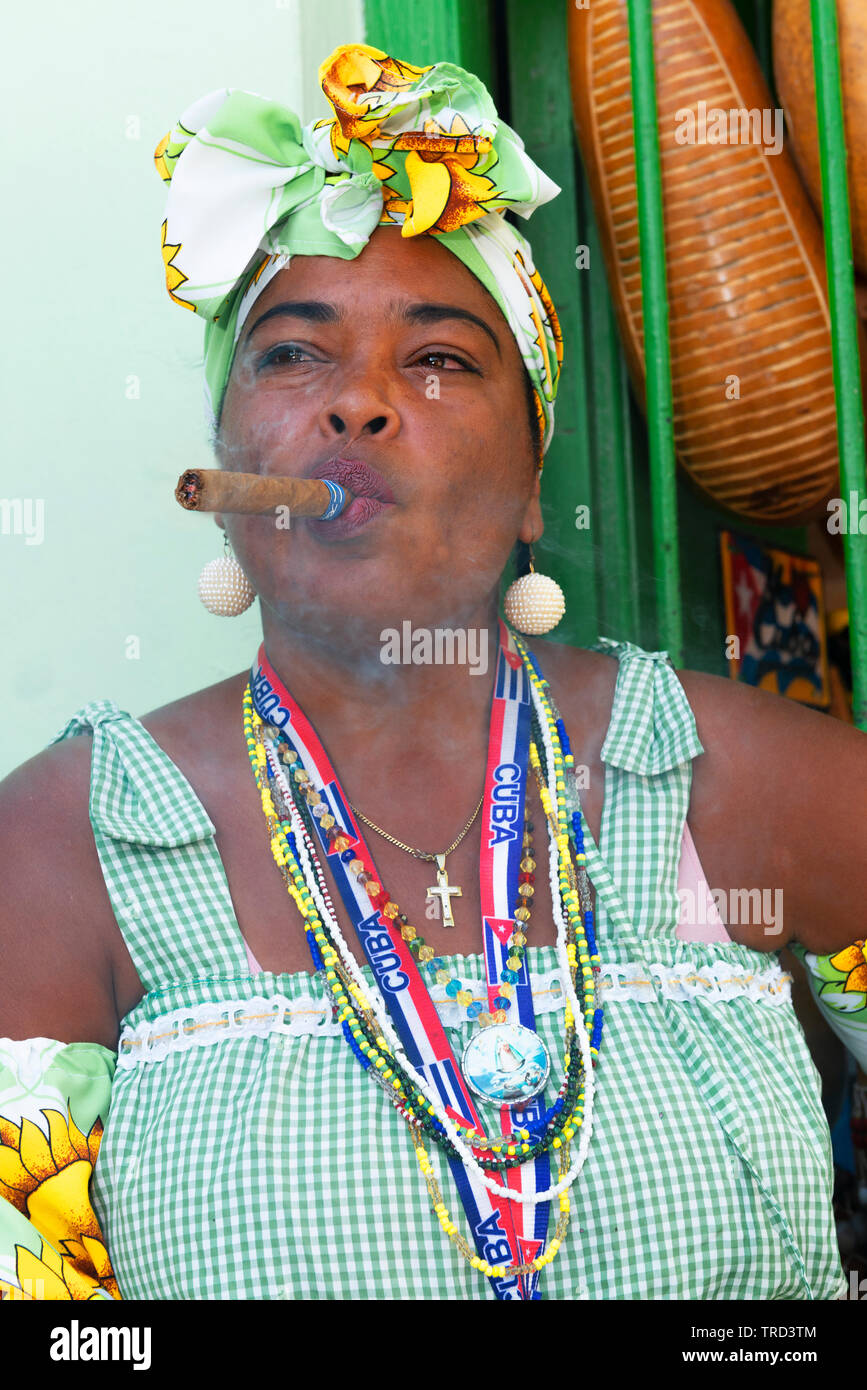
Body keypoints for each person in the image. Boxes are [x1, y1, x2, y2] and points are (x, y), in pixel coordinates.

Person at [1, 42, 865, 1303]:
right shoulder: (66, 846)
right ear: (227, 461)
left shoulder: (750, 783)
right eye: (293, 356)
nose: (357, 406)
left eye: (442, 359)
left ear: (529, 486)